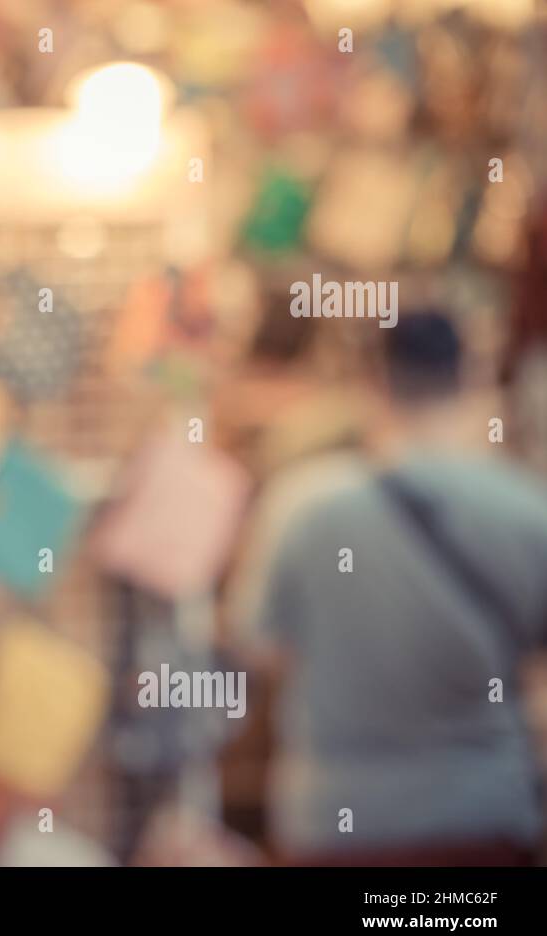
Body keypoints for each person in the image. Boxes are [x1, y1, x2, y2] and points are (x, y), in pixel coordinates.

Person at [230, 311, 547, 865]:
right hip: (482, 817)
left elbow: (256, 647)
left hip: (339, 821)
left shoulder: (303, 505)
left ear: (373, 385)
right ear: (472, 380)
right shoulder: (526, 513)